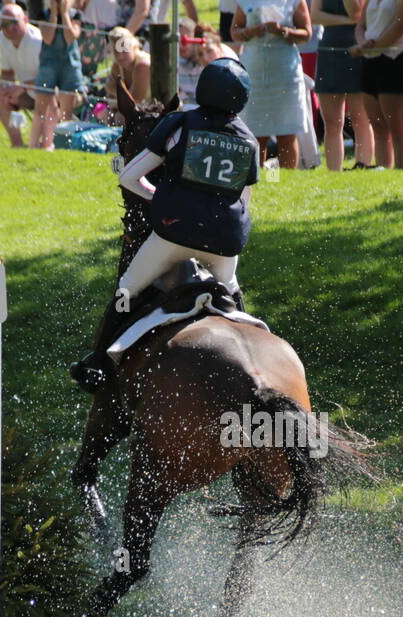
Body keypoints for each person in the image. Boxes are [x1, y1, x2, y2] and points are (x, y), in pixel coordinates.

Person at [69, 58, 261, 393]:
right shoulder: (250, 140)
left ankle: (97, 362)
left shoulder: (179, 123)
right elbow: (242, 199)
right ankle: (257, 351)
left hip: (174, 235)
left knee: (128, 288)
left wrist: (160, 198)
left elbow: (130, 177)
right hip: (224, 244)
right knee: (232, 290)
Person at [234, 0, 313, 167]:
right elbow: (234, 31)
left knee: (286, 131)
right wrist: (251, 31)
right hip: (255, 70)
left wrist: (282, 31)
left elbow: (307, 33)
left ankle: (285, 182)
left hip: (285, 71)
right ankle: (258, 180)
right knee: (255, 132)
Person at [352, 0, 403, 169]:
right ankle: (384, 172)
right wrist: (362, 44)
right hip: (370, 60)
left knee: (397, 129)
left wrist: (372, 46)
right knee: (378, 126)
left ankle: (402, 175)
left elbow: (400, 25)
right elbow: (361, 25)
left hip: (397, 60)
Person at [313, 0, 376, 169]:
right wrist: (346, 21)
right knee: (332, 122)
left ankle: (363, 165)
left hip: (356, 49)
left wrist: (342, 19)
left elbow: (356, 13)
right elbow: (315, 16)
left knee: (360, 118)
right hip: (329, 51)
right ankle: (334, 172)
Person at [32, 0, 85, 149]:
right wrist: (54, 14)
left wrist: (64, 13)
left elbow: (70, 37)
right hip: (48, 65)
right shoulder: (43, 15)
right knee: (40, 108)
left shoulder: (76, 16)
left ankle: (61, 145)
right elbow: (48, 38)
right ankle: (33, 145)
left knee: (66, 112)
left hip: (70, 65)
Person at [0, 4, 43, 147]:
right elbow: (7, 73)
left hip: (48, 95)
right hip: (26, 93)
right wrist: (7, 88)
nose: (9, 28)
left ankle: (43, 143)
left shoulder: (37, 41)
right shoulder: (3, 37)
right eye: (4, 25)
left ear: (25, 19)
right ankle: (17, 145)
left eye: (14, 22)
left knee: (44, 96)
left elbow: (51, 80)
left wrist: (22, 87)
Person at [105, 25, 150, 109]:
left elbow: (135, 101)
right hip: (135, 111)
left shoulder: (143, 65)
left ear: (134, 47)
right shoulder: (117, 66)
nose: (120, 56)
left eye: (125, 50)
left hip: (155, 112)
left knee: (119, 117)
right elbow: (110, 101)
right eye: (116, 51)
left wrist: (114, 90)